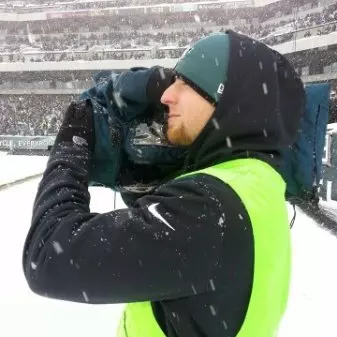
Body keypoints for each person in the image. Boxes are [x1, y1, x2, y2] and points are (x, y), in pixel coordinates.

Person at [23, 30, 305, 337]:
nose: (167, 95)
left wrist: (71, 147)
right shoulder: (255, 185)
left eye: (186, 84)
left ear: (226, 100)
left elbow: (48, 255)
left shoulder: (210, 207)